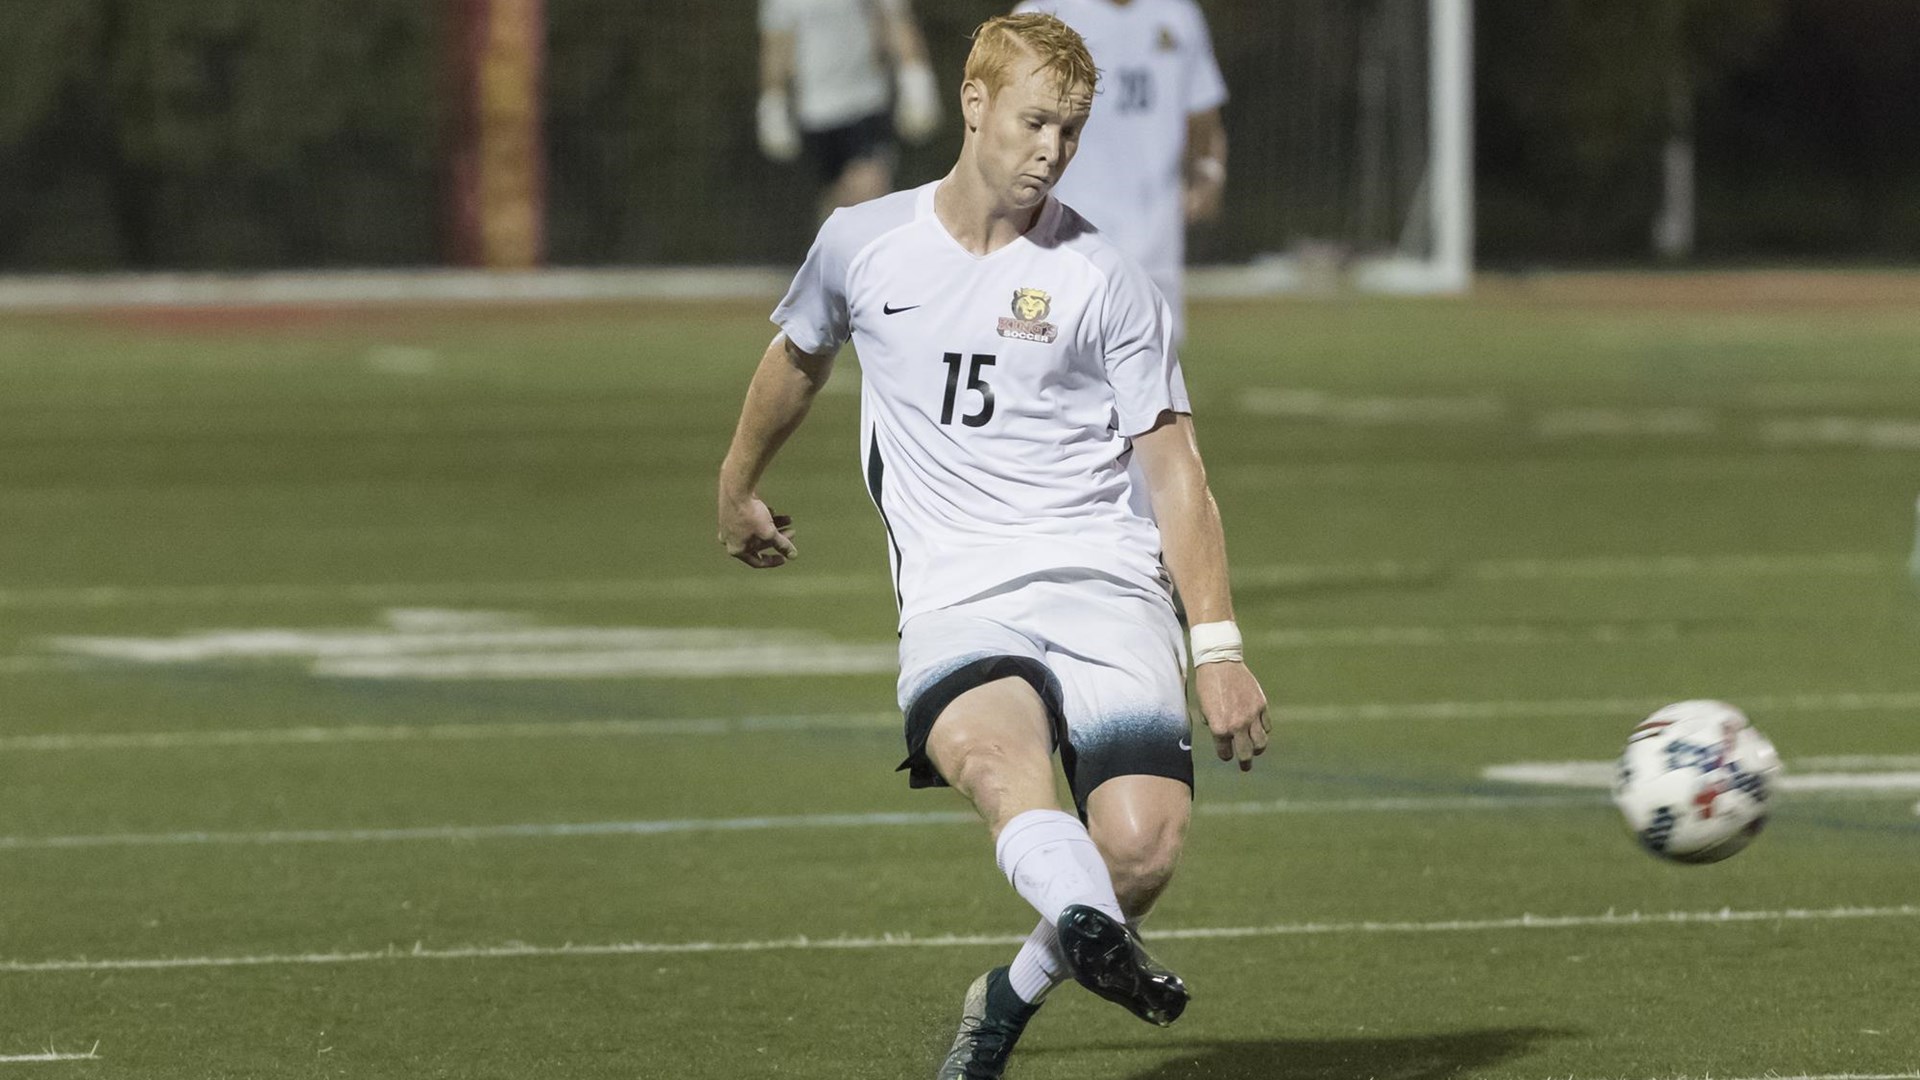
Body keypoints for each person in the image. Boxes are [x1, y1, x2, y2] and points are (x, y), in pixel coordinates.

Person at [716, 13, 1268, 1079]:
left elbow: (1175, 472)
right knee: (992, 759)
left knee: (1142, 848)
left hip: (1106, 583)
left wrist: (1219, 646)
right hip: (959, 592)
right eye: (1034, 122)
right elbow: (799, 355)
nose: (1052, 150)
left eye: (1070, 130)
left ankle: (1011, 991)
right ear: (974, 106)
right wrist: (737, 484)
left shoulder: (1106, 278)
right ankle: (1086, 927)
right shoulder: (864, 243)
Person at [1010, 0, 1229, 341]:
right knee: (1062, 353)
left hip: (1156, 231)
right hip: (1065, 225)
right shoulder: (1042, 13)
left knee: (1154, 358)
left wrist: (1209, 172)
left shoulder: (1178, 14)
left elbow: (1202, 112)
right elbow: (1008, 117)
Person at [757, 0, 945, 219]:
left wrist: (916, 80)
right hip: (816, 111)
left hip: (865, 102)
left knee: (870, 188)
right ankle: (833, 241)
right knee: (836, 203)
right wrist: (773, 105)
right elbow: (776, 45)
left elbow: (896, 20)